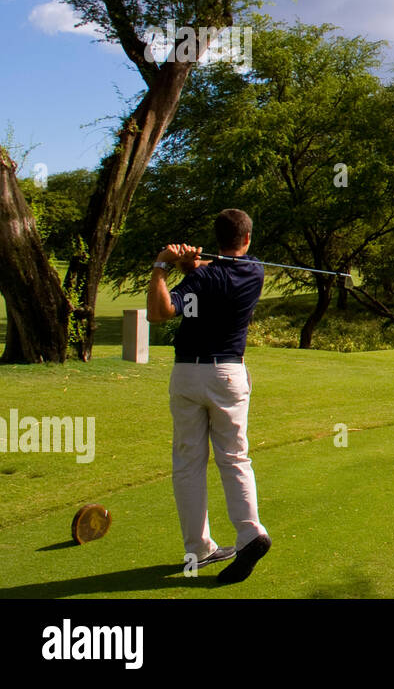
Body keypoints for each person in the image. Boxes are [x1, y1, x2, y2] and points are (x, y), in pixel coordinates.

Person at [147, 208, 271, 585]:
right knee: (234, 457)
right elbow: (212, 282)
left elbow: (160, 312)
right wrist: (192, 267)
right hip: (229, 374)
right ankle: (250, 533)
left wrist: (162, 266)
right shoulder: (255, 271)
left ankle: (199, 549)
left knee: (188, 464)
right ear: (247, 238)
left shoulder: (204, 278)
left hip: (188, 373)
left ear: (216, 238)